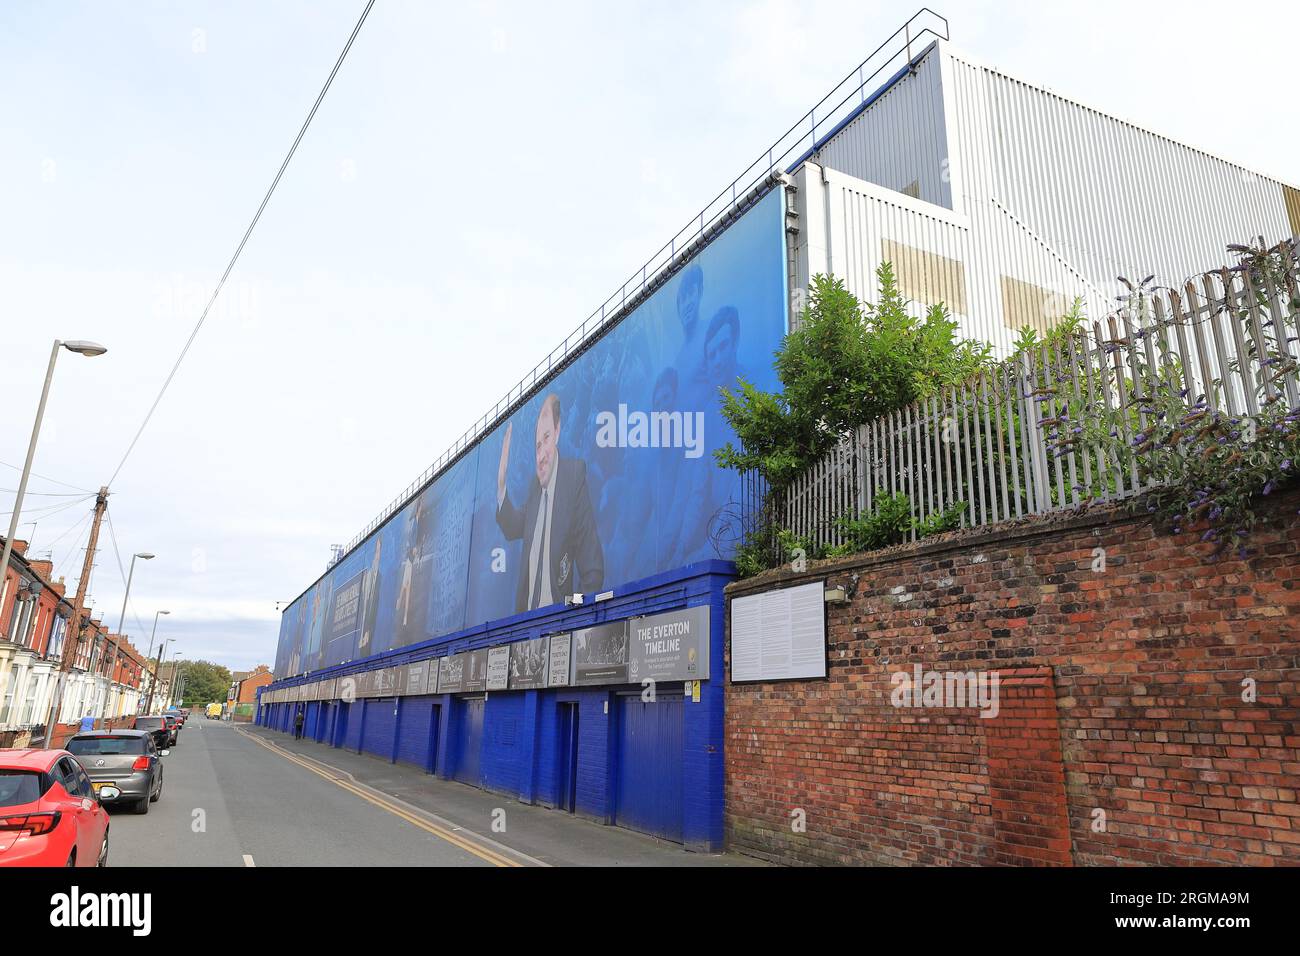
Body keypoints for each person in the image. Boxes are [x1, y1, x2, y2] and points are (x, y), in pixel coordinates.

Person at [496, 394, 605, 612]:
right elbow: (512, 527)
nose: (541, 455)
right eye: (537, 446)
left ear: (557, 432)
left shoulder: (573, 477)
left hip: (558, 625)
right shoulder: (535, 489)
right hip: (525, 627)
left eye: (546, 438)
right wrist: (501, 485)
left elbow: (592, 571)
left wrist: (571, 611)